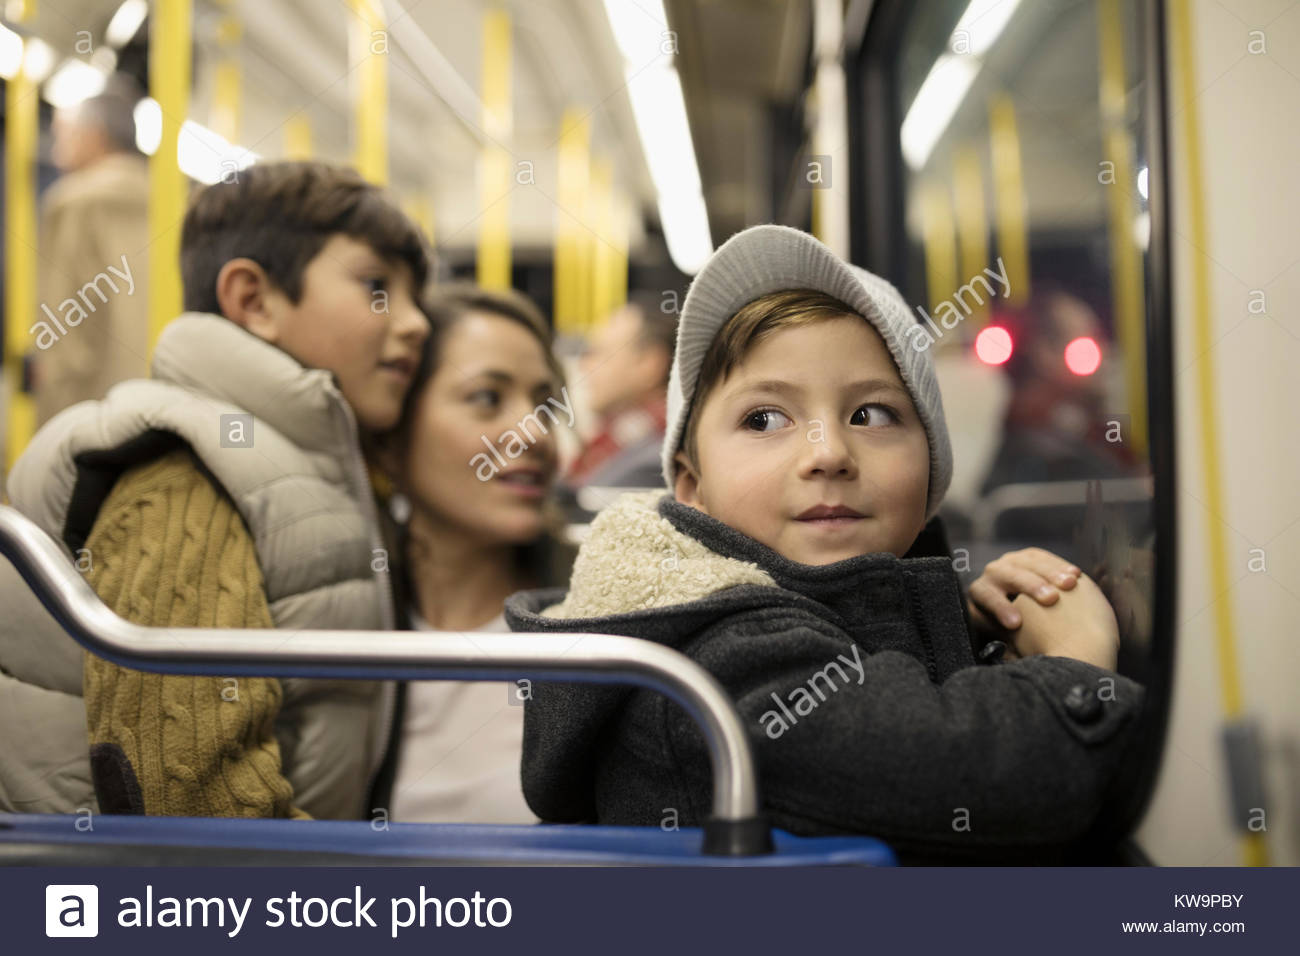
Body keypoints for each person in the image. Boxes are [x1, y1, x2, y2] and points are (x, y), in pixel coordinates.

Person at [505, 225, 1145, 862]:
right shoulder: (715, 648)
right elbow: (966, 775)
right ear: (691, 487)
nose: (829, 453)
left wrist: (975, 634)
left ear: (931, 473)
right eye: (764, 419)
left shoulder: (844, 599)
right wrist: (1076, 664)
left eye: (871, 414)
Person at [0, 161, 429, 819]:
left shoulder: (304, 468)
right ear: (253, 300)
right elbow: (194, 801)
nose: (416, 322)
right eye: (378, 287)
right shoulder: (189, 472)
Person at [369, 285, 576, 823]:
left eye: (544, 404)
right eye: (487, 397)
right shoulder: (343, 624)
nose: (533, 433)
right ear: (392, 437)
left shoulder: (598, 620)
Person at [31, 87, 152, 426]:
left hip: (87, 405)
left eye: (64, 137)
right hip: (152, 395)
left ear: (95, 136)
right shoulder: (167, 199)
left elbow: (60, 316)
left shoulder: (72, 202)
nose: (56, 152)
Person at [564, 292, 676, 491]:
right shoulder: (619, 440)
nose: (583, 366)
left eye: (597, 353)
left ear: (648, 363)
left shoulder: (656, 457)